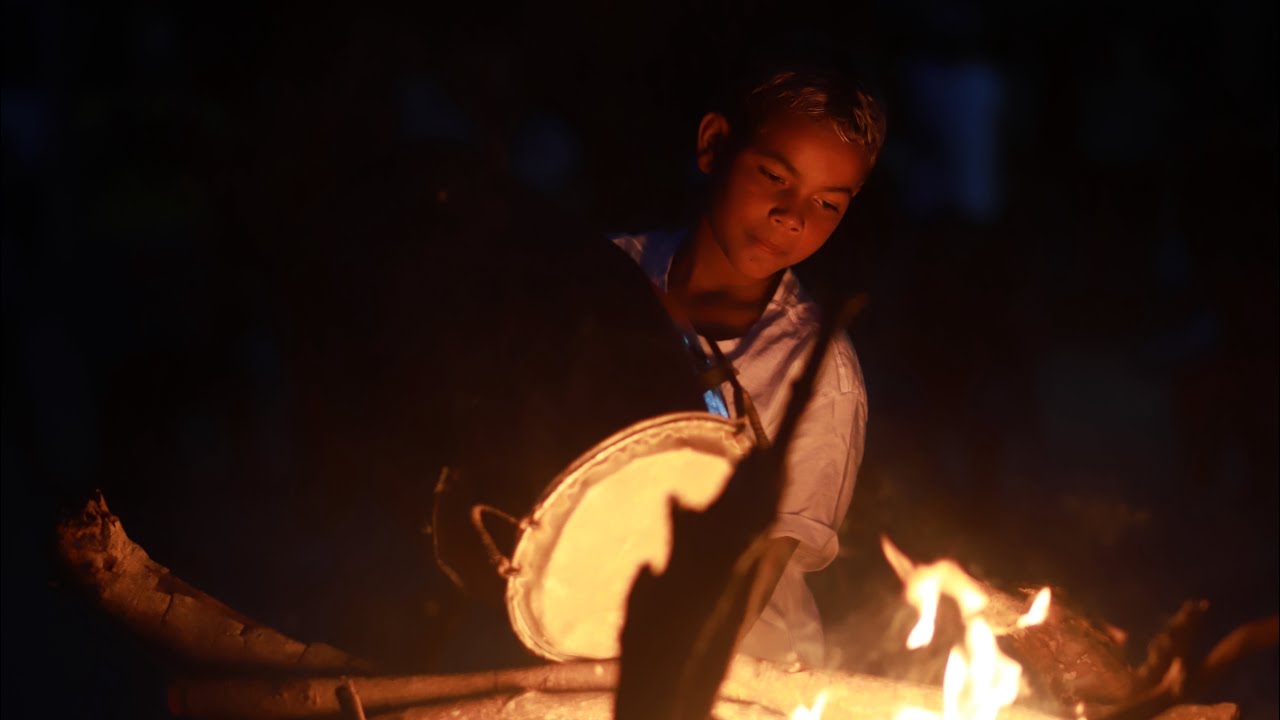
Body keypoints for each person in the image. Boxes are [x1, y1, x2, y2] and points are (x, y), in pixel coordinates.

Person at [610, 64, 886, 668]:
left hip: (734, 669)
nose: (792, 215)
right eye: (773, 176)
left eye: (826, 204)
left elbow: (754, 575)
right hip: (569, 626)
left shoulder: (817, 374)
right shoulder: (603, 280)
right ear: (714, 145)